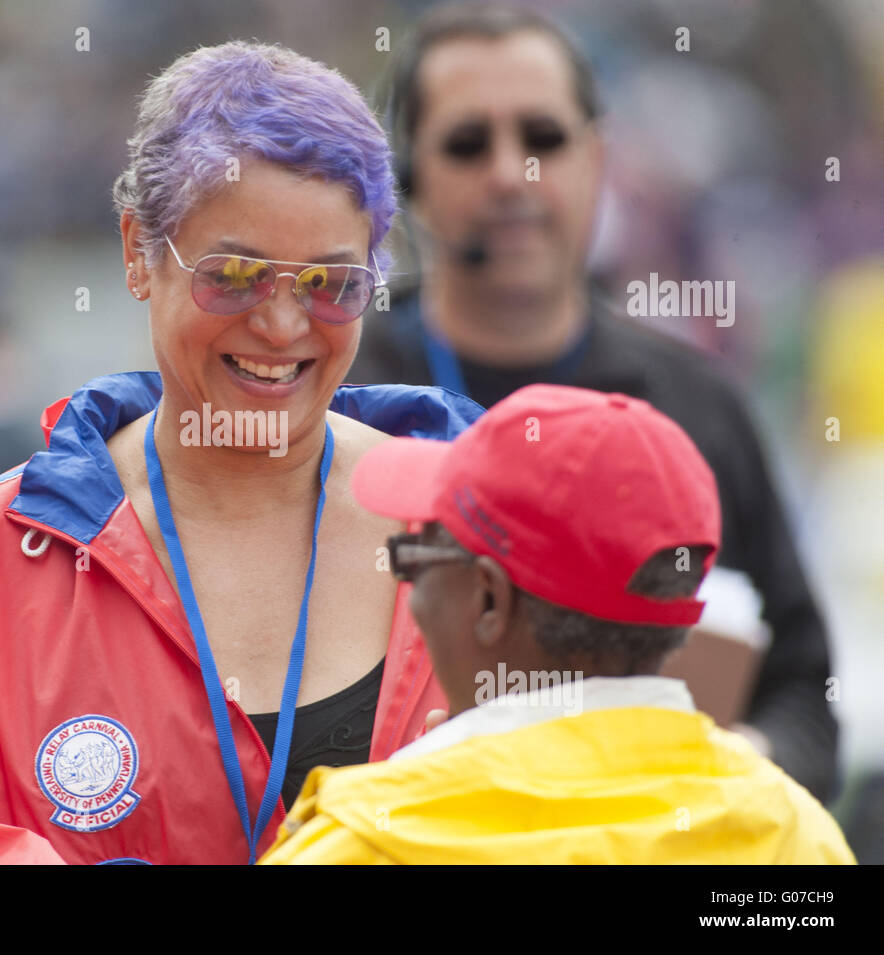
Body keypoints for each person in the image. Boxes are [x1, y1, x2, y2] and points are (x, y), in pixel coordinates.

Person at [0, 40, 482, 865]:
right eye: (233, 274)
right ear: (137, 252)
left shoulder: (482, 531)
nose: (281, 325)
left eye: (330, 284)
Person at [348, 2, 839, 802]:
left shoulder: (697, 405)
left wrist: (732, 772)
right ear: (407, 183)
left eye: (542, 138)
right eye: (469, 144)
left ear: (599, 159)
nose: (512, 174)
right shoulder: (345, 398)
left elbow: (805, 693)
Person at [259, 384, 855, 864]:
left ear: (489, 602)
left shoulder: (360, 845)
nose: (408, 593)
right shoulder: (794, 835)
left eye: (418, 552)